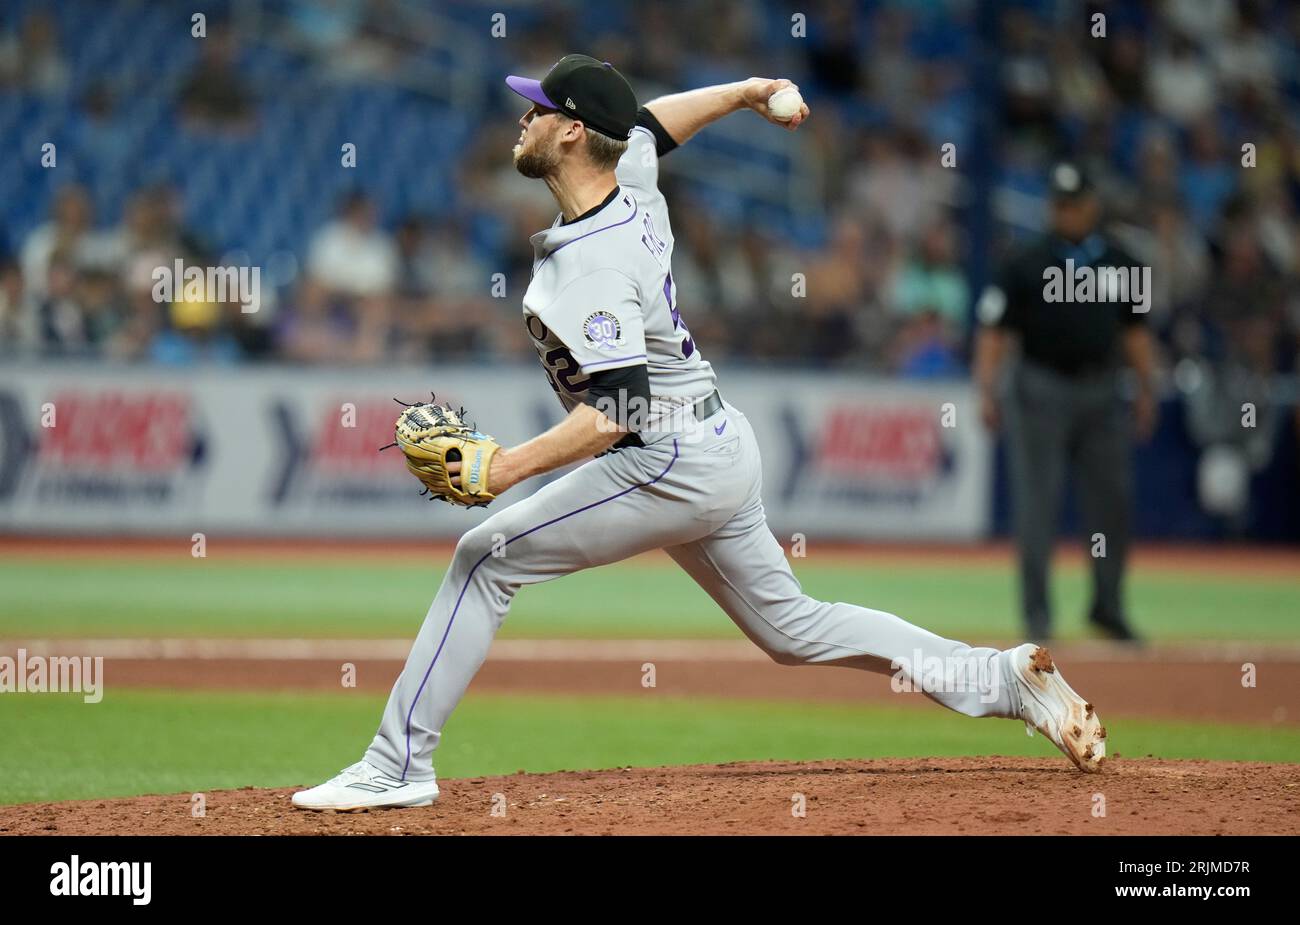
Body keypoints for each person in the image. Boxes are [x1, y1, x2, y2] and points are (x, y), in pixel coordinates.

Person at [293, 57, 1107, 812]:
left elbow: (616, 410)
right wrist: (750, 91)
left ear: (571, 131)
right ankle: (1003, 680)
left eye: (535, 109)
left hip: (666, 454)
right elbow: (651, 123)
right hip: (715, 443)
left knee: (484, 557)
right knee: (794, 628)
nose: (521, 118)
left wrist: (505, 468)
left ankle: (398, 764)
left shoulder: (596, 265)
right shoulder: (628, 180)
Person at [974, 163, 1157, 643]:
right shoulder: (1024, 262)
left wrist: (1146, 389)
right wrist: (987, 390)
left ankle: (1108, 607)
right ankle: (1038, 615)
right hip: (1040, 389)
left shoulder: (1123, 261)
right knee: (1038, 505)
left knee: (1112, 505)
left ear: (1092, 205)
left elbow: (1136, 333)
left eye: (1075, 203)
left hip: (1103, 391)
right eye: (1059, 204)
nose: (1067, 212)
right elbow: (993, 332)